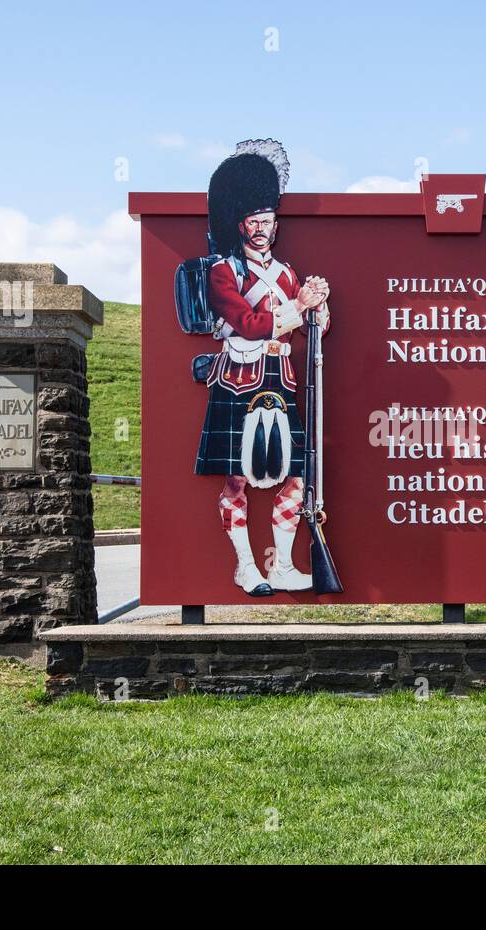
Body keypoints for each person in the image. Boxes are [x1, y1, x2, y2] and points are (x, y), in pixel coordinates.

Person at [194, 140, 331, 597]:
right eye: (253, 221)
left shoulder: (289, 273)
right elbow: (250, 325)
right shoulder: (222, 274)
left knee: (295, 478)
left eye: (267, 221)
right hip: (237, 381)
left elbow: (309, 325)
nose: (261, 229)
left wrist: (318, 310)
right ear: (240, 223)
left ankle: (283, 566)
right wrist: (299, 307)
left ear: (276, 223)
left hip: (280, 379)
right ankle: (246, 566)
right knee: (236, 479)